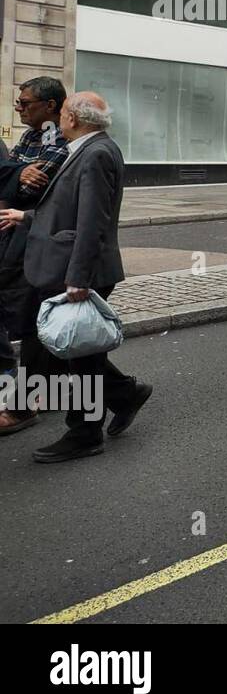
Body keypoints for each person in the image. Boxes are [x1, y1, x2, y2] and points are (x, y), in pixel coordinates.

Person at [0, 93, 149, 463]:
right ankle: (125, 394)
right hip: (70, 263)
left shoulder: (96, 153)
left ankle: (85, 433)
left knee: (79, 355)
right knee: (78, 349)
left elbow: (92, 221)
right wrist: (26, 217)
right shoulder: (87, 148)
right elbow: (67, 209)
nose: (59, 120)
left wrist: (79, 279)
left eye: (63, 113)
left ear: (74, 118)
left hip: (80, 269)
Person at [0, 76, 71, 437]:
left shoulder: (59, 138)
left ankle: (23, 406)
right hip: (17, 241)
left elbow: (30, 185)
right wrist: (14, 179)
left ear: (51, 107)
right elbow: (13, 178)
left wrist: (14, 181)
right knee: (31, 321)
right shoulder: (31, 136)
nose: (19, 107)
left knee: (31, 323)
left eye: (25, 103)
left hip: (38, 244)